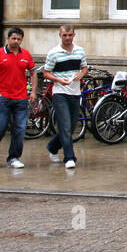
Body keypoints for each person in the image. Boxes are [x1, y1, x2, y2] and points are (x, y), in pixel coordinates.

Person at [0, 27, 37, 169]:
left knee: (19, 129)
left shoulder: (26, 54)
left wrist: (33, 91)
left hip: (20, 98)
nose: (16, 41)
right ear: (8, 39)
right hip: (3, 97)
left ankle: (13, 157)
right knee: (0, 127)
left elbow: (33, 73)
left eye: (18, 39)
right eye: (13, 38)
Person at [43, 23, 87, 169]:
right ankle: (70, 157)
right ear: (60, 36)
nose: (67, 38)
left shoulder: (80, 51)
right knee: (65, 125)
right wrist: (58, 80)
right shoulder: (53, 53)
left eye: (70, 35)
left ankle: (52, 146)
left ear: (74, 35)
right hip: (60, 92)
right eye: (64, 35)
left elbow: (84, 67)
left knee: (71, 126)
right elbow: (46, 72)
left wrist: (81, 74)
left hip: (75, 92)